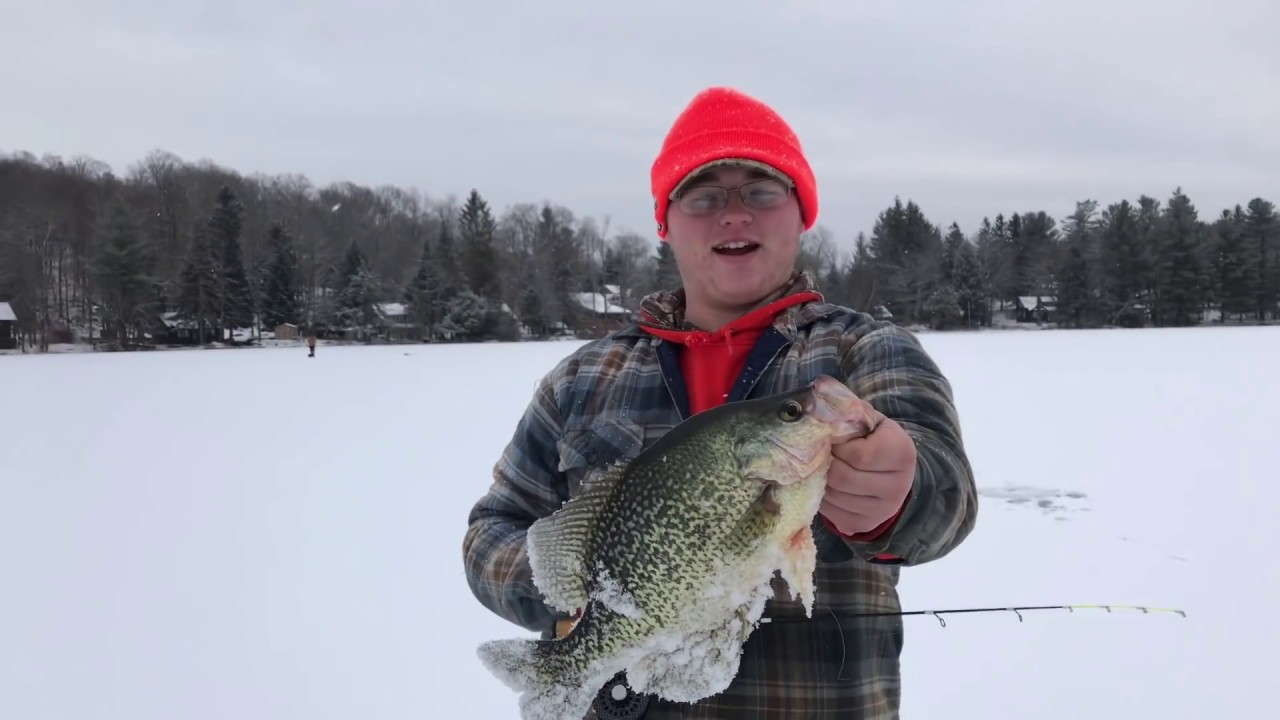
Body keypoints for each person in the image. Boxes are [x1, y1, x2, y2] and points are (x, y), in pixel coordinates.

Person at [462, 86, 978, 719]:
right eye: (704, 196)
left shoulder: (863, 354)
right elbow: (492, 532)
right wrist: (577, 589)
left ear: (800, 212)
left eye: (761, 190)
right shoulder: (582, 379)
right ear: (667, 223)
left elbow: (947, 499)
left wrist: (902, 495)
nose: (735, 215)